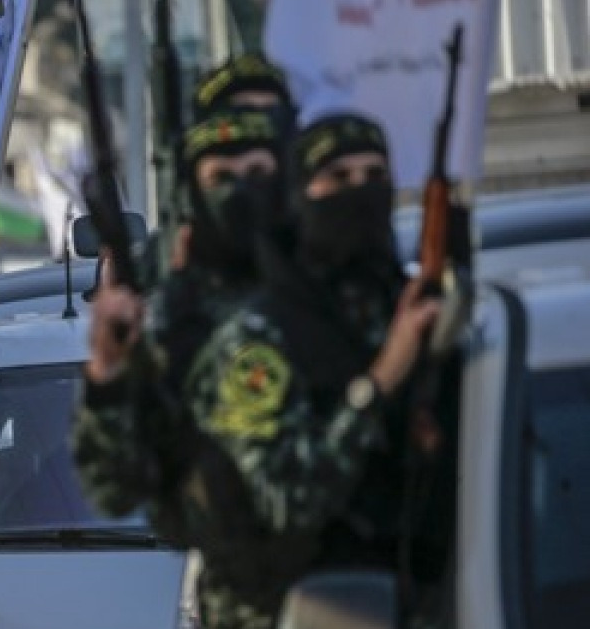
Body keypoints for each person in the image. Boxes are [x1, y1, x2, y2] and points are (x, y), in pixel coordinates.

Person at [89, 113, 442, 629]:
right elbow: (288, 501)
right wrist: (382, 380)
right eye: (338, 178)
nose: (359, 194)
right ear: (300, 197)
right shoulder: (258, 338)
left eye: (374, 177)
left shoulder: (400, 308)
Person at [72, 110, 286, 541]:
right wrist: (108, 372)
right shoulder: (170, 324)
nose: (240, 192)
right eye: (221, 176)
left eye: (257, 171)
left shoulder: (330, 298)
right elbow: (114, 490)